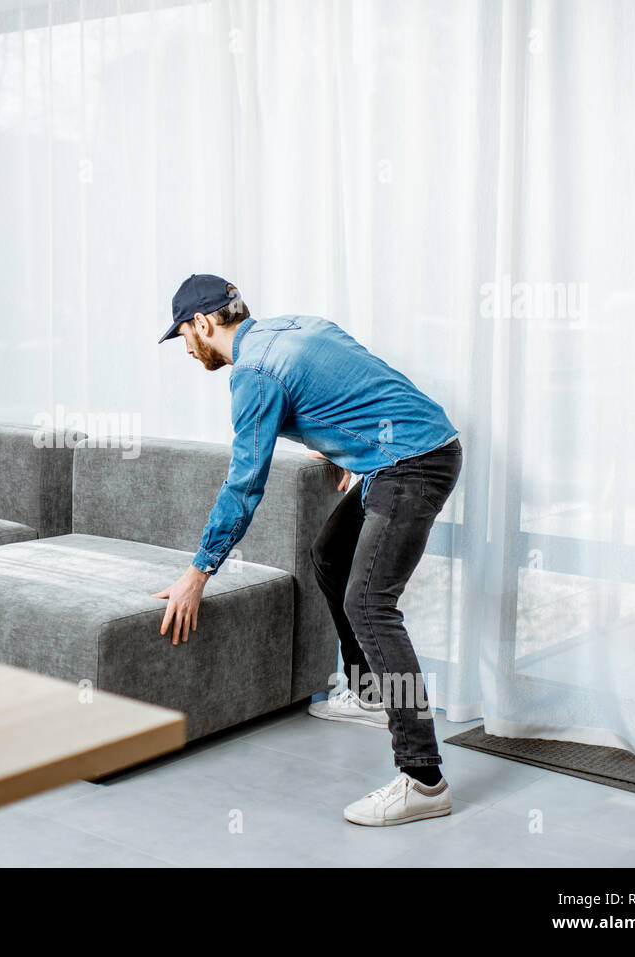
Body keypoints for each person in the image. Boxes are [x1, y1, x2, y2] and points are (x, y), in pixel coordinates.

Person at [152, 274, 462, 826]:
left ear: (202, 323)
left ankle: (424, 778)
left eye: (183, 337)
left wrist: (199, 571)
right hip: (406, 451)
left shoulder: (251, 372)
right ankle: (368, 693)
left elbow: (245, 484)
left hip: (411, 465)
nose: (187, 350)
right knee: (330, 554)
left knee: (370, 606)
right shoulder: (296, 327)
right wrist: (350, 445)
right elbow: (361, 381)